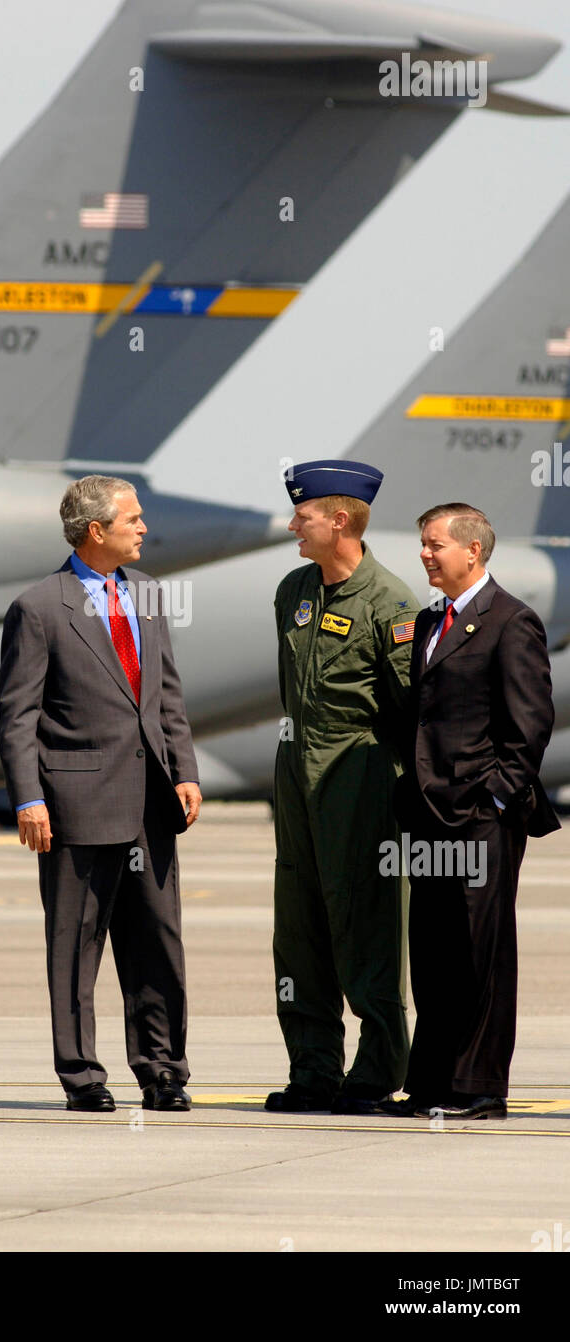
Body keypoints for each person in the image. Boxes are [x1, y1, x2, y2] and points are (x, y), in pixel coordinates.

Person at [0, 475, 201, 1112]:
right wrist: (29, 799)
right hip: (76, 805)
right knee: (75, 944)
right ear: (95, 531)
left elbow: (165, 693)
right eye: (133, 519)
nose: (144, 527)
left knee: (158, 943)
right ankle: (82, 1075)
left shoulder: (147, 594)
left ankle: (164, 1069)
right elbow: (16, 717)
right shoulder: (39, 607)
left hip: (152, 801)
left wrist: (185, 769)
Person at [388, 503, 559, 1120]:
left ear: (473, 551)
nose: (426, 555)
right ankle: (432, 1080)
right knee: (432, 947)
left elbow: (531, 721)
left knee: (479, 949)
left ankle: (479, 1086)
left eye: (435, 545)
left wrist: (496, 795)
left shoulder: (511, 621)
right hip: (429, 812)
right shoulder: (434, 620)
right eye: (424, 544)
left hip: (481, 816)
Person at [266, 459, 419, 1115]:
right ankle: (312, 1069)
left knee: (364, 924)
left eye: (302, 515)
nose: (293, 524)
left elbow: (411, 708)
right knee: (297, 931)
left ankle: (377, 1067)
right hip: (296, 776)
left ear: (338, 519)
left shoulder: (391, 603)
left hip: (358, 777)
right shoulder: (293, 590)